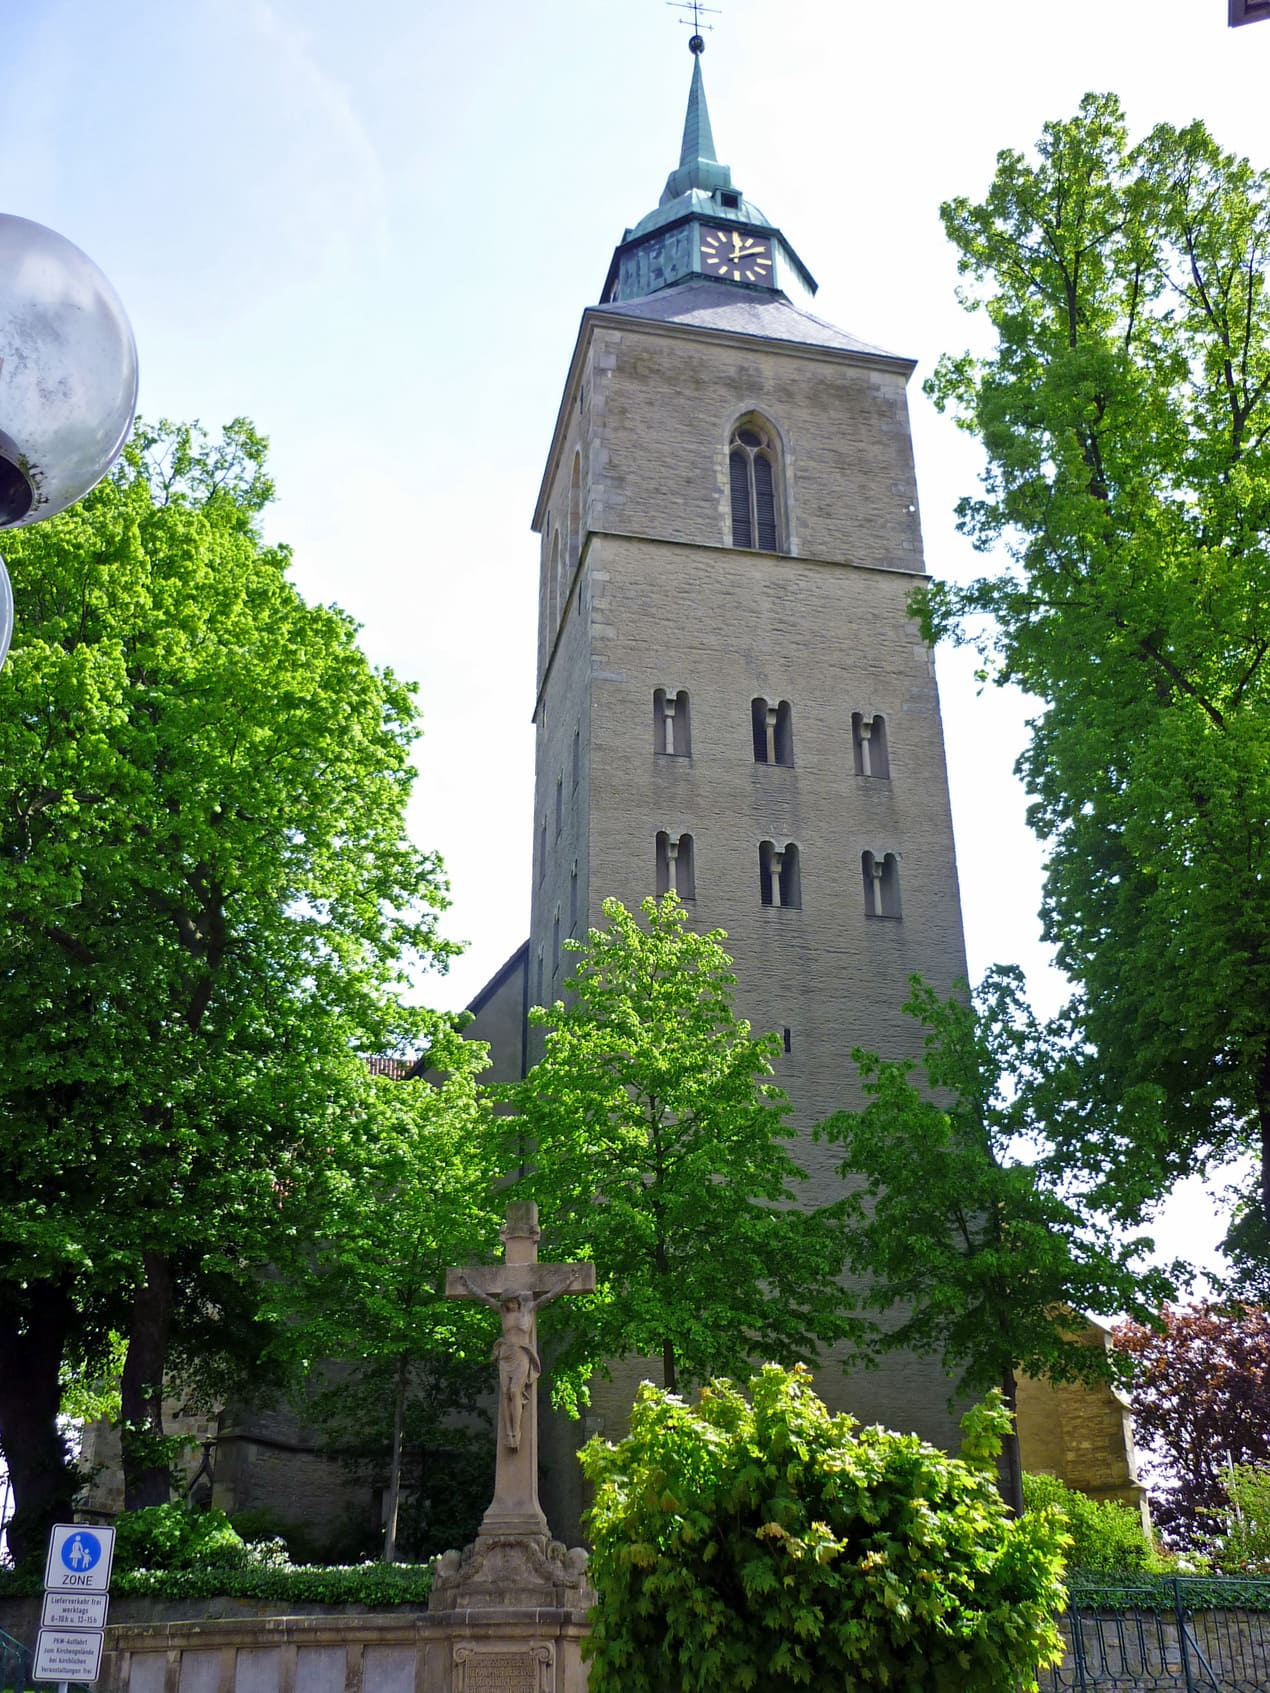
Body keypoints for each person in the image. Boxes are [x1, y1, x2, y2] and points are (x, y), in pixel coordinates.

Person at [460, 1269, 581, 1450]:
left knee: (515, 1391)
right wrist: (468, 1285)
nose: (508, 1304)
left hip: (522, 1354)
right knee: (506, 1393)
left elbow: (549, 1296)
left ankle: (516, 1433)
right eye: (506, 1302)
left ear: (516, 1300)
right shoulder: (503, 1312)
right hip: (505, 1355)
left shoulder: (529, 1309)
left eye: (510, 1301)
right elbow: (484, 1298)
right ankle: (508, 1433)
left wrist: (568, 1280)